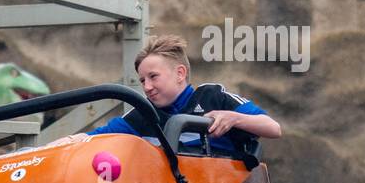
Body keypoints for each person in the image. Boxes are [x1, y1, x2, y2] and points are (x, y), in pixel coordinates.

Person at [50, 34, 280, 156]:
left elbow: (273, 128)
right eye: (142, 80)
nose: (147, 87)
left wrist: (233, 118)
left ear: (180, 73)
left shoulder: (213, 96)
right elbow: (89, 139)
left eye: (153, 77)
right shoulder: (143, 116)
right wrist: (41, 152)